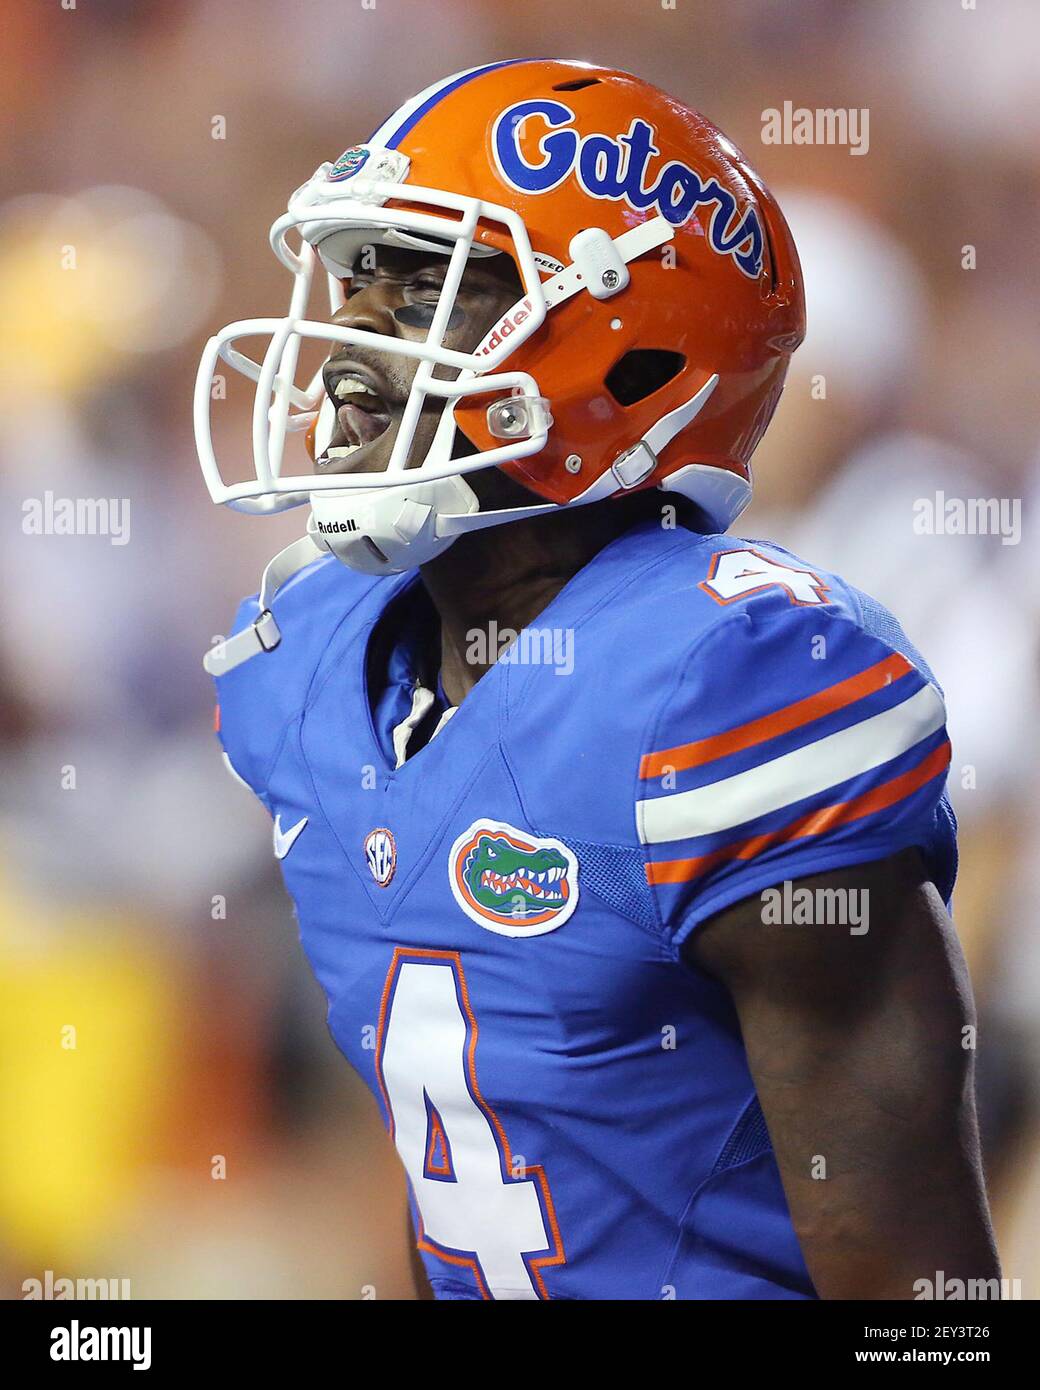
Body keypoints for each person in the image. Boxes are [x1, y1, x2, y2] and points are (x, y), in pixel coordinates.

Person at [195, 59, 998, 1300]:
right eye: (355, 282)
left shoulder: (727, 681)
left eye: (423, 293)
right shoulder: (308, 655)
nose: (347, 343)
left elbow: (918, 1297)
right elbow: (466, 1164)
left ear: (628, 358)